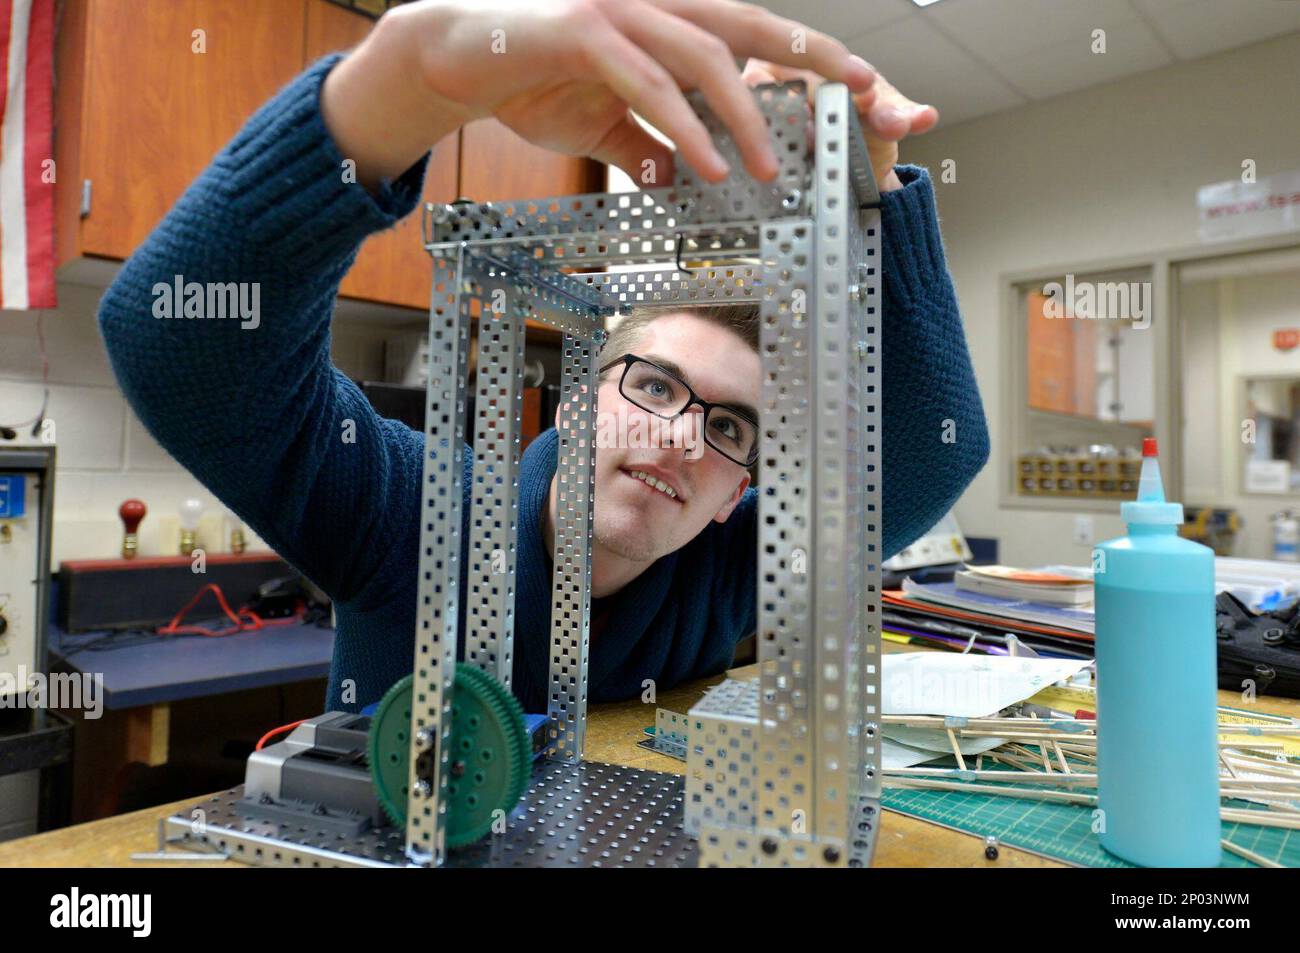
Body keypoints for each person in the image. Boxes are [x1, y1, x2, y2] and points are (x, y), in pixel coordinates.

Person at [98, 0, 989, 713]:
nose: (682, 440)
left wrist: (869, 215)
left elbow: (931, 454)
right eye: (653, 386)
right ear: (571, 400)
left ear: (739, 497)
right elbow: (179, 344)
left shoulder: (723, 575)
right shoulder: (417, 511)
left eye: (727, 426)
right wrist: (406, 89)